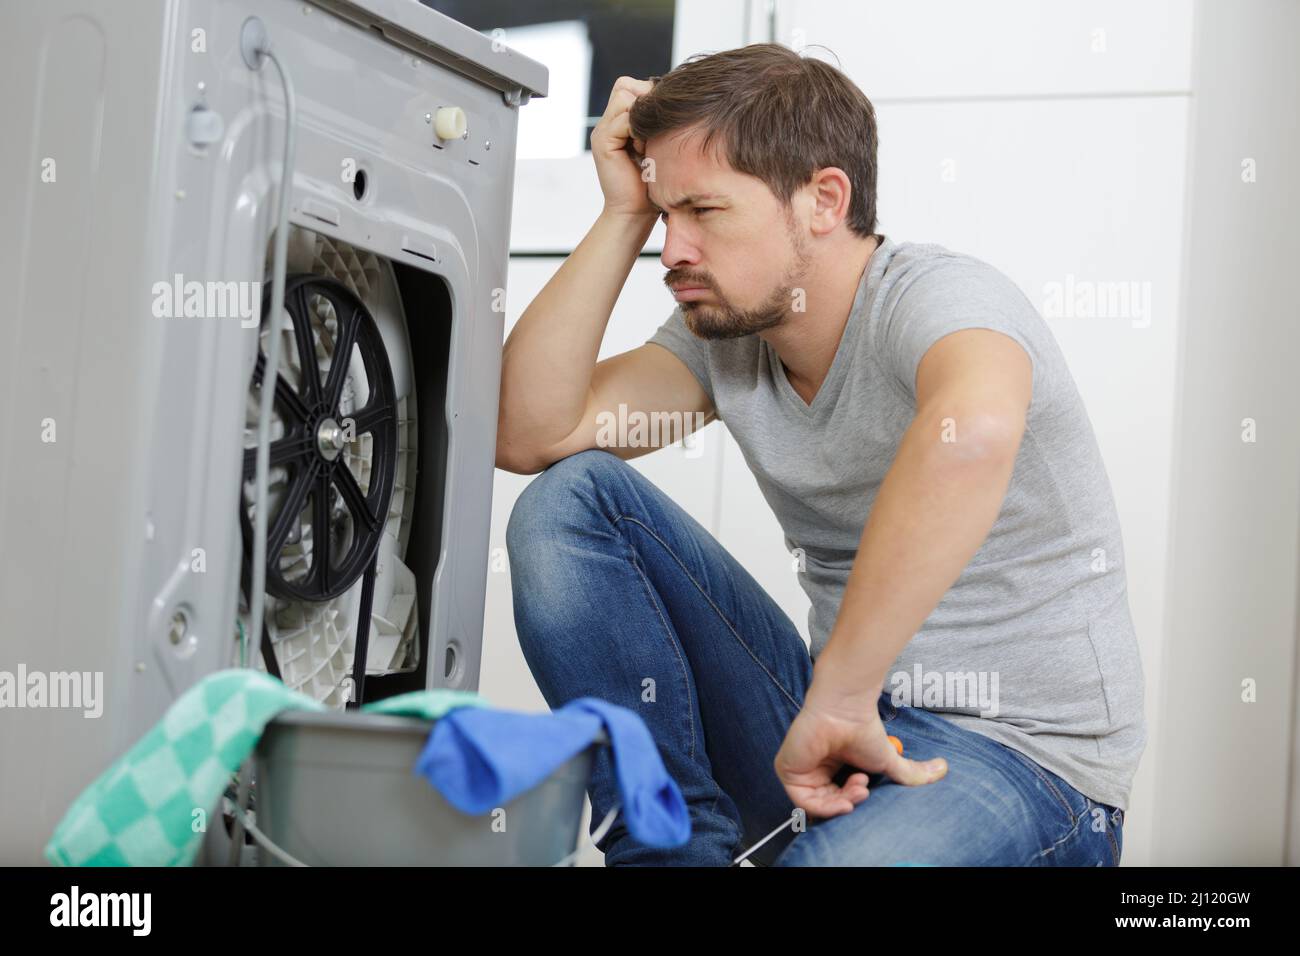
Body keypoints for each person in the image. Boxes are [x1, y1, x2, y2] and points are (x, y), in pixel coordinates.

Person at [496, 43, 1143, 866]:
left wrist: (841, 692)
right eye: (666, 218)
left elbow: (973, 432)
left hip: (1024, 762)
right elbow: (530, 433)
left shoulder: (939, 299)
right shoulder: (730, 339)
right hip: (830, 732)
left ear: (822, 200)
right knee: (571, 500)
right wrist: (622, 213)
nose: (673, 251)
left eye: (704, 211)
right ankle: (670, 851)